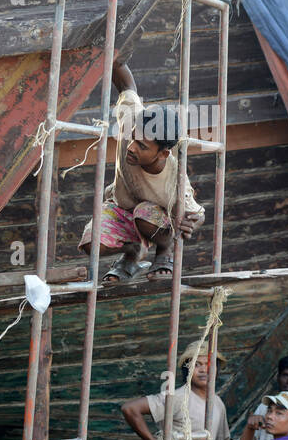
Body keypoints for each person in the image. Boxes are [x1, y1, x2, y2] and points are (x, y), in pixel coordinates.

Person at [79, 60, 206, 282]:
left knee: (144, 213)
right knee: (91, 243)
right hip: (122, 208)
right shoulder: (132, 120)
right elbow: (127, 84)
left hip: (155, 221)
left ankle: (164, 252)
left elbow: (197, 214)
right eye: (133, 139)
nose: (131, 147)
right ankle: (133, 254)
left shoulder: (175, 177)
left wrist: (191, 224)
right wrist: (114, 50)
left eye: (142, 146)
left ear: (163, 154)